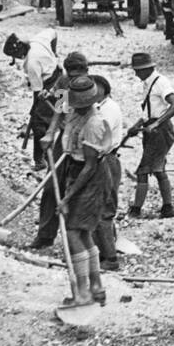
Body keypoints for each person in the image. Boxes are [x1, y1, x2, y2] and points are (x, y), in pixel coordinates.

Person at [55, 76, 109, 307]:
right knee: (84, 232)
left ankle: (83, 292)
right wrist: (50, 131)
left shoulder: (94, 123)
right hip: (76, 170)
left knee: (73, 231)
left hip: (91, 177)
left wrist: (67, 197)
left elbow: (89, 167)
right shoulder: (78, 113)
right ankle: (97, 287)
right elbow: (60, 103)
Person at [29, 51, 89, 250]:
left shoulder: (92, 88)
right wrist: (50, 132)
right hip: (64, 138)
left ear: (85, 71)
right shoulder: (64, 82)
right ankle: (45, 235)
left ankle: (85, 241)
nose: (72, 80)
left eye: (75, 76)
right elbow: (60, 108)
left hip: (86, 141)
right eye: (69, 76)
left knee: (81, 189)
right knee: (50, 187)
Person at [130, 51, 174, 219]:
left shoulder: (161, 82)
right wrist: (137, 125)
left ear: (146, 69)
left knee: (143, 170)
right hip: (152, 130)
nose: (136, 73)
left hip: (160, 131)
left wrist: (156, 123)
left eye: (137, 70)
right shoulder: (148, 83)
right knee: (158, 169)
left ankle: (136, 210)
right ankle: (168, 208)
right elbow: (149, 110)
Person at [91, 76, 126, 272]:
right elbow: (63, 113)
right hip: (101, 158)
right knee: (98, 206)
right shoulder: (97, 106)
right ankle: (104, 249)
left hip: (105, 159)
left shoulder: (108, 108)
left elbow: (99, 136)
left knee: (104, 209)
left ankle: (110, 257)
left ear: (103, 90)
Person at [23, 30, 61, 171]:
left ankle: (41, 160)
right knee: (63, 114)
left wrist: (35, 108)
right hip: (59, 74)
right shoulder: (38, 39)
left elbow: (37, 92)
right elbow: (53, 33)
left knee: (39, 122)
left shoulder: (31, 63)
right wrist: (54, 53)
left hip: (52, 86)